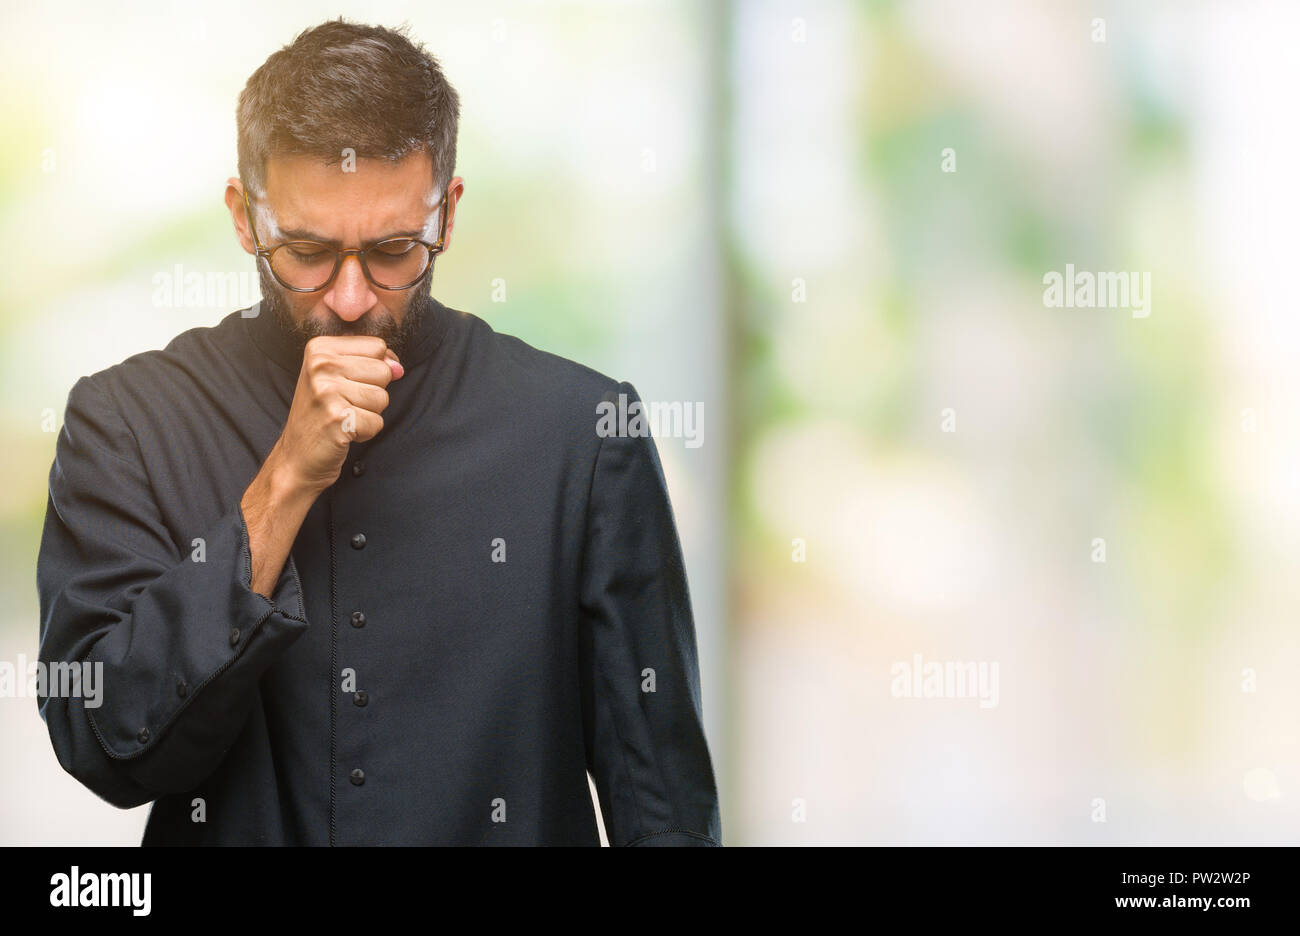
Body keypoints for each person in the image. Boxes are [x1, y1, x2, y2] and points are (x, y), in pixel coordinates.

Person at [36, 18, 721, 846]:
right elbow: (103, 745)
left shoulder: (585, 434)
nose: (353, 297)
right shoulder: (128, 422)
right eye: (308, 250)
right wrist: (284, 480)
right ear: (245, 217)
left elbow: (665, 812)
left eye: (395, 249)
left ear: (449, 212)